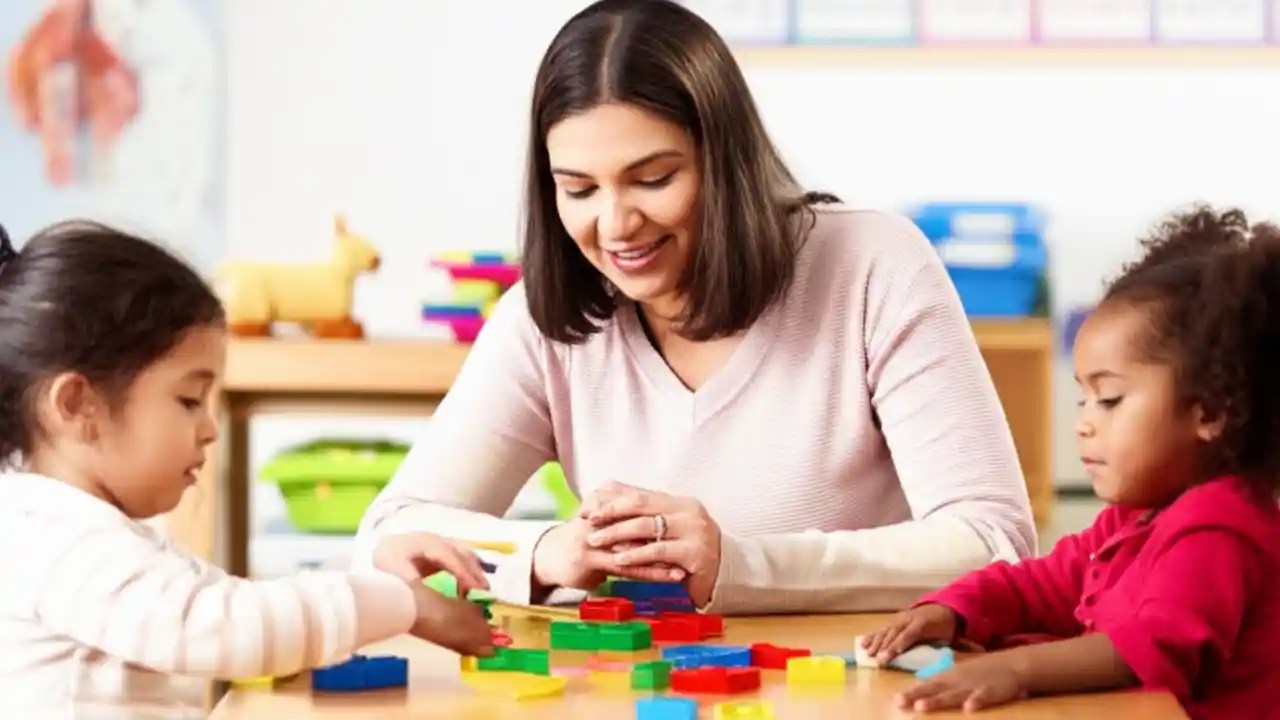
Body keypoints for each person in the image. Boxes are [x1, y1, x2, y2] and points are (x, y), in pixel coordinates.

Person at [353, 0, 1035, 616]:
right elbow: (393, 532)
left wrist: (739, 565)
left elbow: (993, 540)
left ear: (726, 162)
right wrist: (544, 551)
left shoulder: (872, 264)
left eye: (653, 179)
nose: (616, 225)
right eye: (579, 189)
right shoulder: (544, 318)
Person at [0, 220, 495, 714]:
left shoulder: (84, 529)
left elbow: (236, 600)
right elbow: (222, 627)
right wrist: (401, 604)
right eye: (189, 400)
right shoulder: (56, 541)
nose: (210, 428)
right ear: (76, 406)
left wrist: (372, 571)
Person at [861, 206, 1280, 718]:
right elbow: (1050, 581)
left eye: (1109, 400)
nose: (1084, 423)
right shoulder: (1140, 515)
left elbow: (1146, 649)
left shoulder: (1219, 526)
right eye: (1084, 400)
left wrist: (1015, 670)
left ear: (1211, 410)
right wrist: (954, 608)